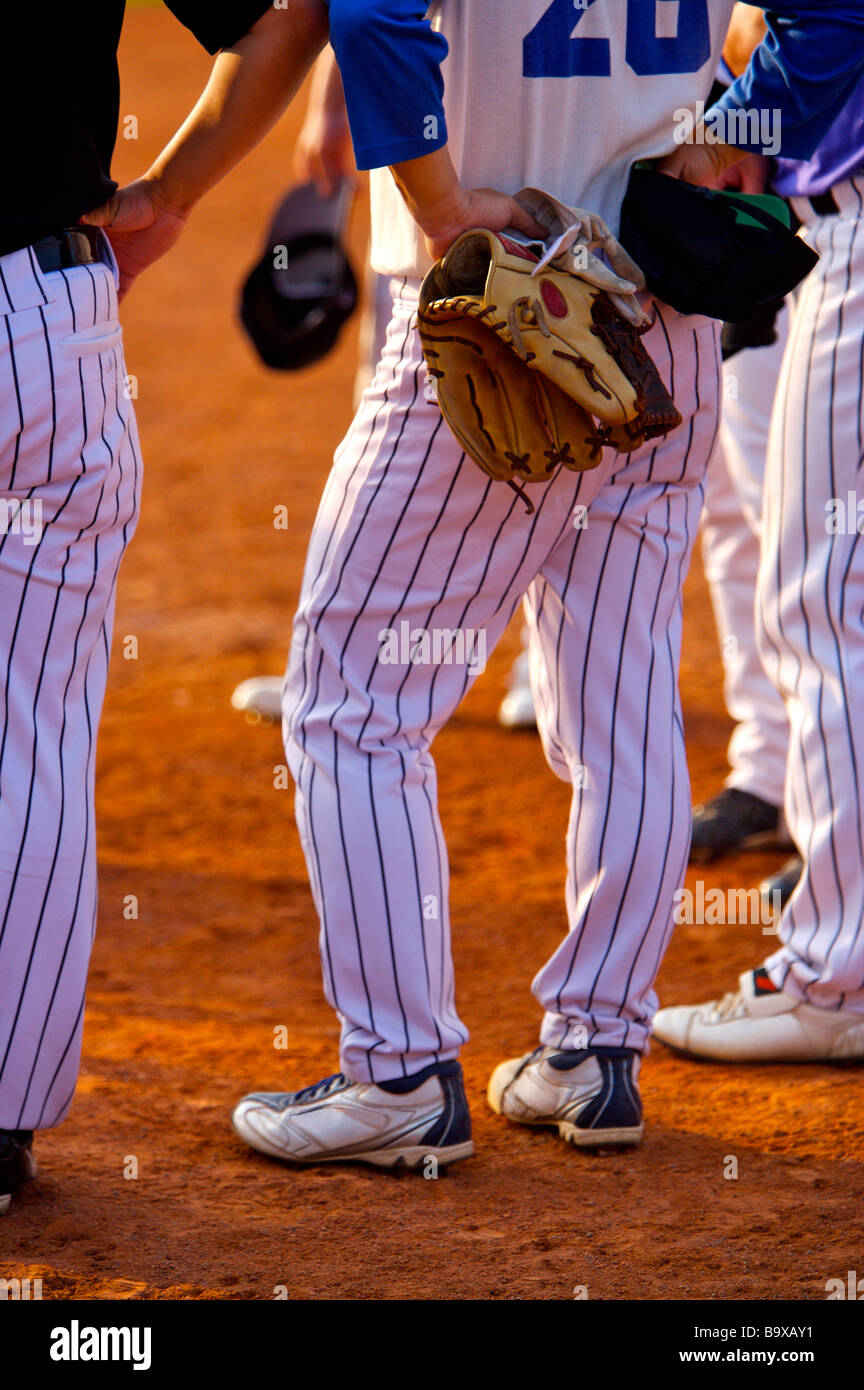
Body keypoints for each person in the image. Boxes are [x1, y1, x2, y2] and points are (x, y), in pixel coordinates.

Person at [221, 1, 864, 1170]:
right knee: (621, 698)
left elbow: (368, 16)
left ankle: (398, 1070)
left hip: (501, 298)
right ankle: (595, 1049)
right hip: (664, 304)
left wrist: (438, 205)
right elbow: (829, 16)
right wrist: (735, 136)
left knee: (347, 704)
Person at [0, 0, 333, 1215]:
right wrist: (171, 191)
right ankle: (2, 1117)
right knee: (31, 730)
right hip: (48, 326)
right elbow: (291, 13)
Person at [654, 51, 864, 1061]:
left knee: (822, 604)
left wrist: (721, 132)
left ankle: (837, 971)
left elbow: (821, 25)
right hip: (824, 211)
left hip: (851, 218)